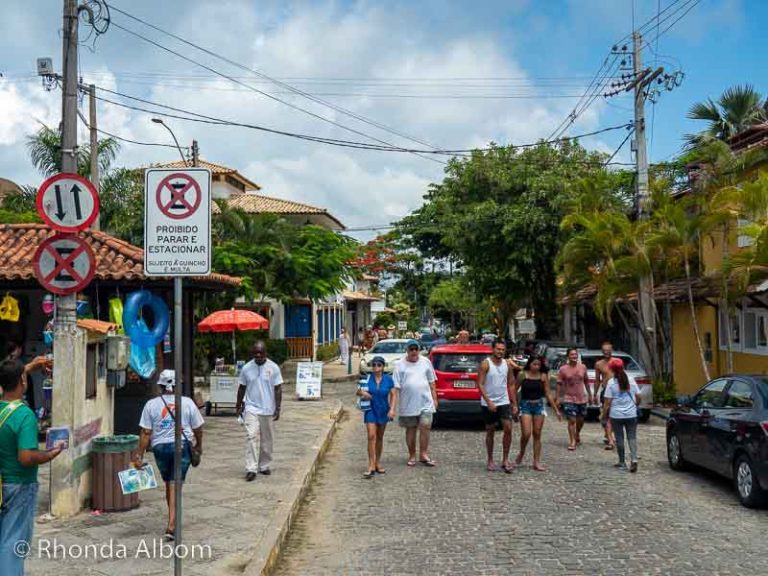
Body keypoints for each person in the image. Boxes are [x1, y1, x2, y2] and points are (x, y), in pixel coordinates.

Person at [0, 359, 63, 575]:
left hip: (2, 484)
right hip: (20, 485)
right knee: (13, 542)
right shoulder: (24, 415)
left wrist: (29, 366)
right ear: (22, 381)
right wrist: (49, 454)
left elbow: (7, 378)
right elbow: (26, 457)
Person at [134, 370, 204, 540]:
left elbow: (145, 432)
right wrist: (199, 445)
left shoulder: (151, 405)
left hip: (160, 449)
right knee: (175, 484)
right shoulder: (187, 403)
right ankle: (172, 524)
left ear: (160, 386)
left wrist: (139, 456)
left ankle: (172, 517)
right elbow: (198, 428)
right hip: (182, 447)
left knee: (170, 483)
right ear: (177, 385)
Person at [236, 341, 283, 481]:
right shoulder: (246, 368)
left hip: (268, 408)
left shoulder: (273, 368)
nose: (258, 355)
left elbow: (278, 388)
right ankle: (251, 468)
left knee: (267, 439)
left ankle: (264, 465)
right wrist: (238, 405)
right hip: (251, 407)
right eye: (256, 353)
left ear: (265, 353)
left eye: (260, 353)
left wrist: (278, 408)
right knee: (251, 436)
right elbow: (241, 387)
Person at [390, 339, 438, 467]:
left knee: (426, 425)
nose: (414, 352)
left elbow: (432, 382)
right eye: (411, 349)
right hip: (408, 404)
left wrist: (435, 399)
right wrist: (393, 408)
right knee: (411, 429)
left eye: (416, 349)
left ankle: (423, 453)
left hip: (425, 402)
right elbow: (395, 388)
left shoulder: (426, 362)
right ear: (407, 350)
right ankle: (412, 454)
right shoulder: (399, 365)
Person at [513, 355, 561, 471]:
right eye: (534, 364)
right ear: (530, 364)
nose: (536, 367)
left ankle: (536, 461)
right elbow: (514, 390)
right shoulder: (522, 374)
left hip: (539, 406)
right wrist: (514, 405)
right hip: (525, 406)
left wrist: (556, 410)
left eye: (538, 365)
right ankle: (522, 452)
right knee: (526, 433)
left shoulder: (543, 376)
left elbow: (548, 393)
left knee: (537, 434)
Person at [476, 339, 518, 473]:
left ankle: (505, 459)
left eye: (502, 350)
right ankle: (490, 459)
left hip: (504, 401)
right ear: (493, 349)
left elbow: (511, 384)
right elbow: (480, 384)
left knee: (508, 428)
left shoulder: (507, 364)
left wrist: (514, 403)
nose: (500, 352)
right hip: (489, 402)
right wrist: (488, 401)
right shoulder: (485, 364)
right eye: (498, 349)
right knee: (490, 430)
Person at [356, 355, 395, 478]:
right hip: (370, 410)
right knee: (371, 436)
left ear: (383, 367)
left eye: (378, 365)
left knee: (379, 437)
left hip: (383, 409)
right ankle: (371, 464)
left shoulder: (389, 380)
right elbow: (358, 391)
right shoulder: (367, 378)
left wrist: (392, 409)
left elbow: (393, 395)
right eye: (374, 365)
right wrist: (363, 393)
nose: (376, 367)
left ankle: (377, 462)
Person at [603, 357, 642, 472]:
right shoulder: (631, 380)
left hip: (616, 415)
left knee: (619, 438)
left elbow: (607, 402)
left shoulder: (611, 383)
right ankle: (634, 459)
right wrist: (635, 405)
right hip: (631, 414)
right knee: (632, 437)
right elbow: (639, 396)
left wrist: (604, 415)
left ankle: (622, 462)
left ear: (612, 370)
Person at [557, 348, 589, 451]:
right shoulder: (563, 369)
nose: (574, 356)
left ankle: (577, 433)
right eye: (572, 354)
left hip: (581, 398)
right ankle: (572, 441)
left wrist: (591, 394)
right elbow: (559, 383)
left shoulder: (583, 367)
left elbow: (586, 381)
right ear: (568, 356)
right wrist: (558, 397)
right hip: (569, 398)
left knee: (581, 420)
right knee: (571, 420)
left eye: (575, 354)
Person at [594, 341, 616, 450]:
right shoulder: (599, 364)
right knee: (605, 413)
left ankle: (610, 436)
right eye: (604, 351)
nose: (606, 352)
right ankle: (608, 434)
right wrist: (594, 394)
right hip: (605, 391)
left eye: (608, 350)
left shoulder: (616, 362)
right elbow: (597, 380)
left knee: (613, 414)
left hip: (616, 392)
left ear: (612, 350)